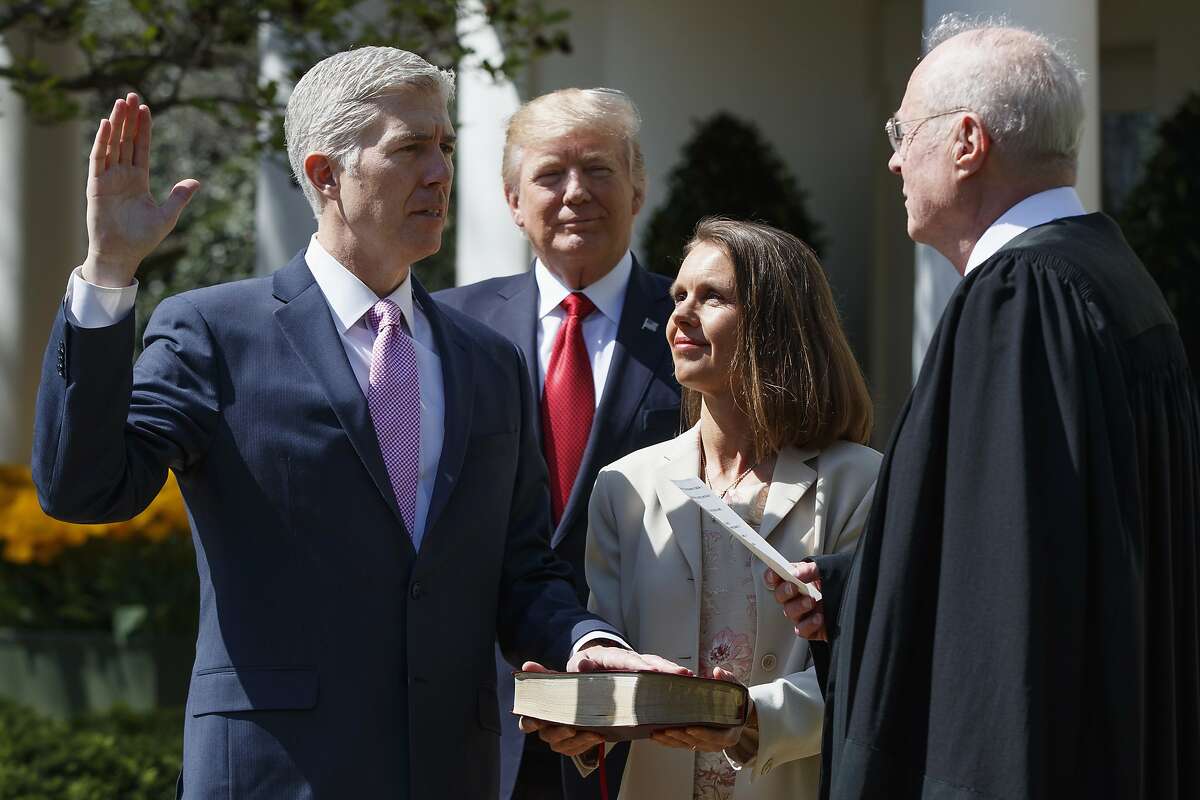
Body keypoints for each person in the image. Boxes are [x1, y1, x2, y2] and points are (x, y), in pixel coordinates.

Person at [31, 47, 676, 798]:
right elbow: (84, 488)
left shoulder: (488, 361)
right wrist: (108, 273)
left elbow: (521, 571)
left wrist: (584, 641)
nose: (439, 172)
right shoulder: (214, 332)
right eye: (409, 149)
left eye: (443, 146)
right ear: (323, 175)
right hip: (277, 774)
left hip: (449, 775)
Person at [769, 15, 1200, 800]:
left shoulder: (1022, 299)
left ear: (967, 142)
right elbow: (1032, 546)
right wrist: (856, 588)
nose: (895, 157)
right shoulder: (1110, 276)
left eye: (905, 130)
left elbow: (1006, 608)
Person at [528, 218, 881, 800]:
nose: (680, 316)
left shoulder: (861, 482)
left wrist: (748, 718)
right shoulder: (625, 485)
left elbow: (875, 674)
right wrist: (581, 713)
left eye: (712, 296)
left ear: (778, 323)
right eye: (678, 296)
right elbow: (619, 661)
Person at [435, 87, 680, 800]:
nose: (576, 193)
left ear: (638, 190)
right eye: (550, 175)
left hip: (649, 704)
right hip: (486, 709)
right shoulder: (447, 328)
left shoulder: (698, 324)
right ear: (513, 199)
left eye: (599, 170)